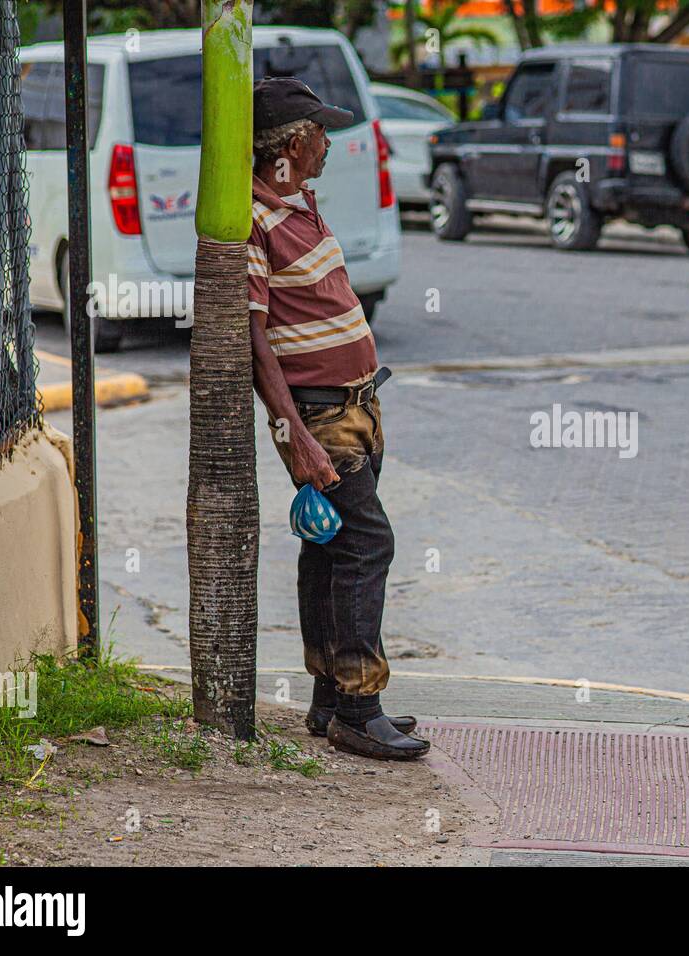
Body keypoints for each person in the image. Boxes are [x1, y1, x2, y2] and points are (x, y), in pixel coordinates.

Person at [247, 77, 428, 761]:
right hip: (322, 418)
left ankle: (329, 701)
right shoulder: (254, 220)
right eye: (320, 131)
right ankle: (359, 705)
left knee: (331, 549)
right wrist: (295, 439)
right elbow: (253, 339)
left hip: (355, 408)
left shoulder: (295, 205)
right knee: (364, 545)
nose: (330, 141)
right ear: (292, 144)